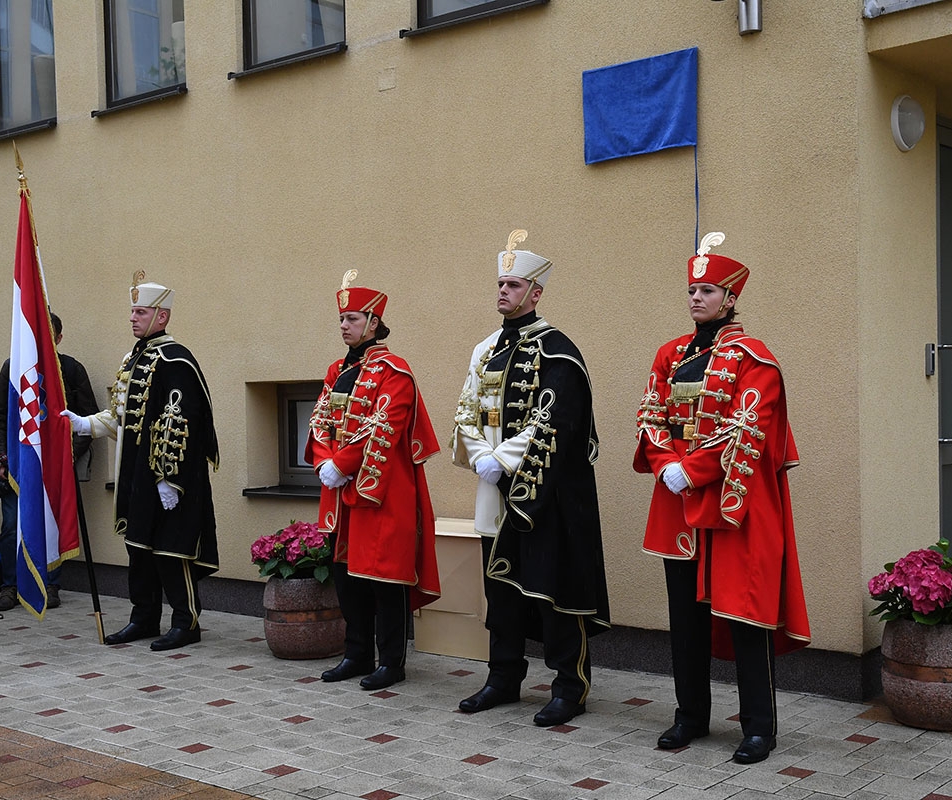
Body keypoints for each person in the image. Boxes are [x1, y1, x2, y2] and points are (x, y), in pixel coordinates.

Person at [633, 232, 811, 765]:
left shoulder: (755, 358)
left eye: (707, 290)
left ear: (730, 299)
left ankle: (759, 726)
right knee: (684, 616)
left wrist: (693, 470)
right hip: (676, 504)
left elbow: (749, 426)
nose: (696, 298)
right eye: (692, 289)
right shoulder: (668, 354)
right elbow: (651, 413)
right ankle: (690, 716)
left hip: (733, 505)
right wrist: (667, 466)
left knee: (743, 614)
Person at [452, 229, 610, 727]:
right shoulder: (483, 351)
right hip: (492, 488)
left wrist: (506, 459)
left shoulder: (558, 349)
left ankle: (570, 686)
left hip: (546, 495)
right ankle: (503, 678)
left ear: (536, 292)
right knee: (499, 594)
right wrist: (482, 457)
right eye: (500, 283)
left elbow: (557, 420)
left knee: (551, 591)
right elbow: (466, 410)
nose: (503, 291)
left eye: (514, 285)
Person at [62, 273, 219, 650]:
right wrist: (84, 423)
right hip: (136, 474)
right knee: (139, 548)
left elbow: (183, 420)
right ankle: (144, 618)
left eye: (141, 311)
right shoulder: (134, 359)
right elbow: (123, 419)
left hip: (169, 476)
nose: (133, 318)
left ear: (161, 317)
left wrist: (170, 477)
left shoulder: (176, 359)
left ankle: (186, 622)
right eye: (132, 311)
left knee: (171, 549)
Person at [306, 274, 441, 689]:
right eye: (341, 319)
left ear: (373, 322)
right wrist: (325, 460)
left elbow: (388, 423)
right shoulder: (335, 371)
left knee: (385, 578)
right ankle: (357, 653)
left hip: (382, 493)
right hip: (341, 493)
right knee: (347, 578)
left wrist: (343, 463)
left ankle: (392, 662)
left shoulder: (394, 370)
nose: (343, 325)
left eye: (351, 318)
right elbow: (320, 420)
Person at [0, 312, 98, 611]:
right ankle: (10, 587)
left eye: (49, 335)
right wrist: (2, 458)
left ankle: (51, 584)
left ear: (59, 338)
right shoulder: (13, 368)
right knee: (12, 526)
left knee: (53, 523)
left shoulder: (72, 370)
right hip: (19, 466)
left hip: (57, 467)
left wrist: (67, 455)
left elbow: (88, 420)